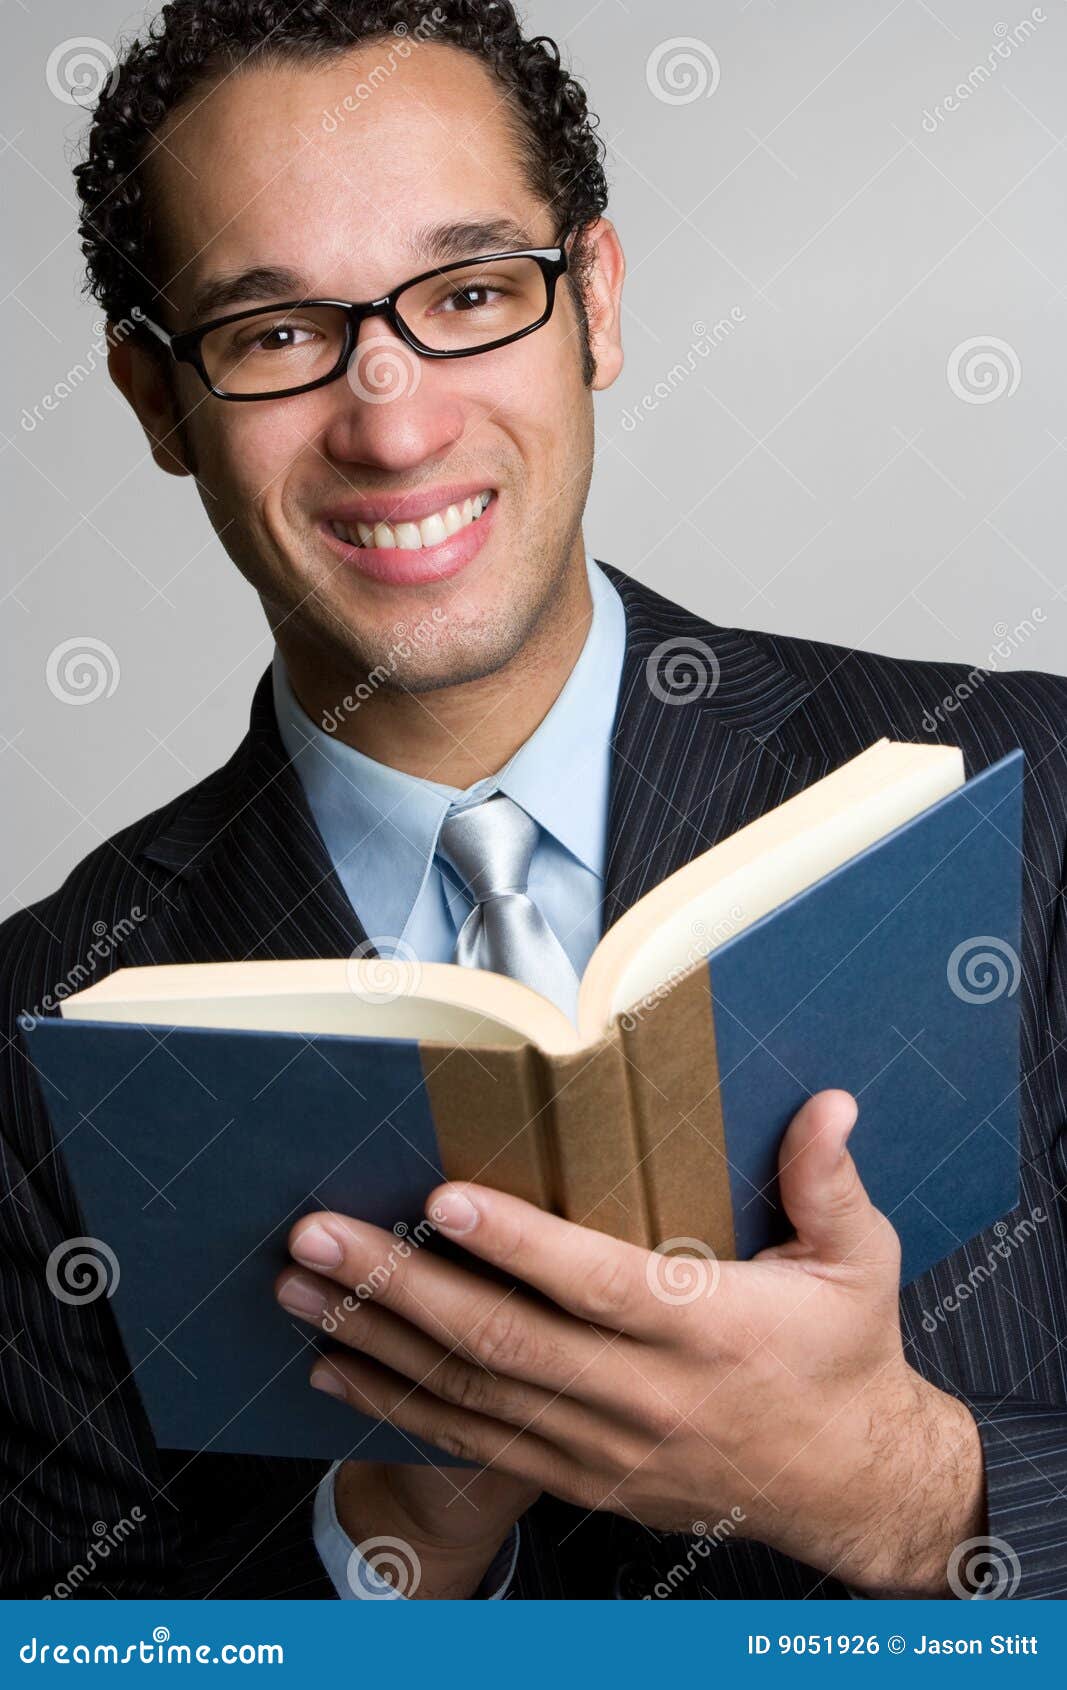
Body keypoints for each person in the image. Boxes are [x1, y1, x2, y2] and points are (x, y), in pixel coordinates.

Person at [3, 0, 1066, 1601]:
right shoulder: (39, 1037)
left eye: (474, 292)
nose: (395, 417)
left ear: (598, 306)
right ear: (159, 401)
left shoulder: (1032, 798)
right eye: (276, 331)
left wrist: (897, 1492)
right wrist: (399, 1542)